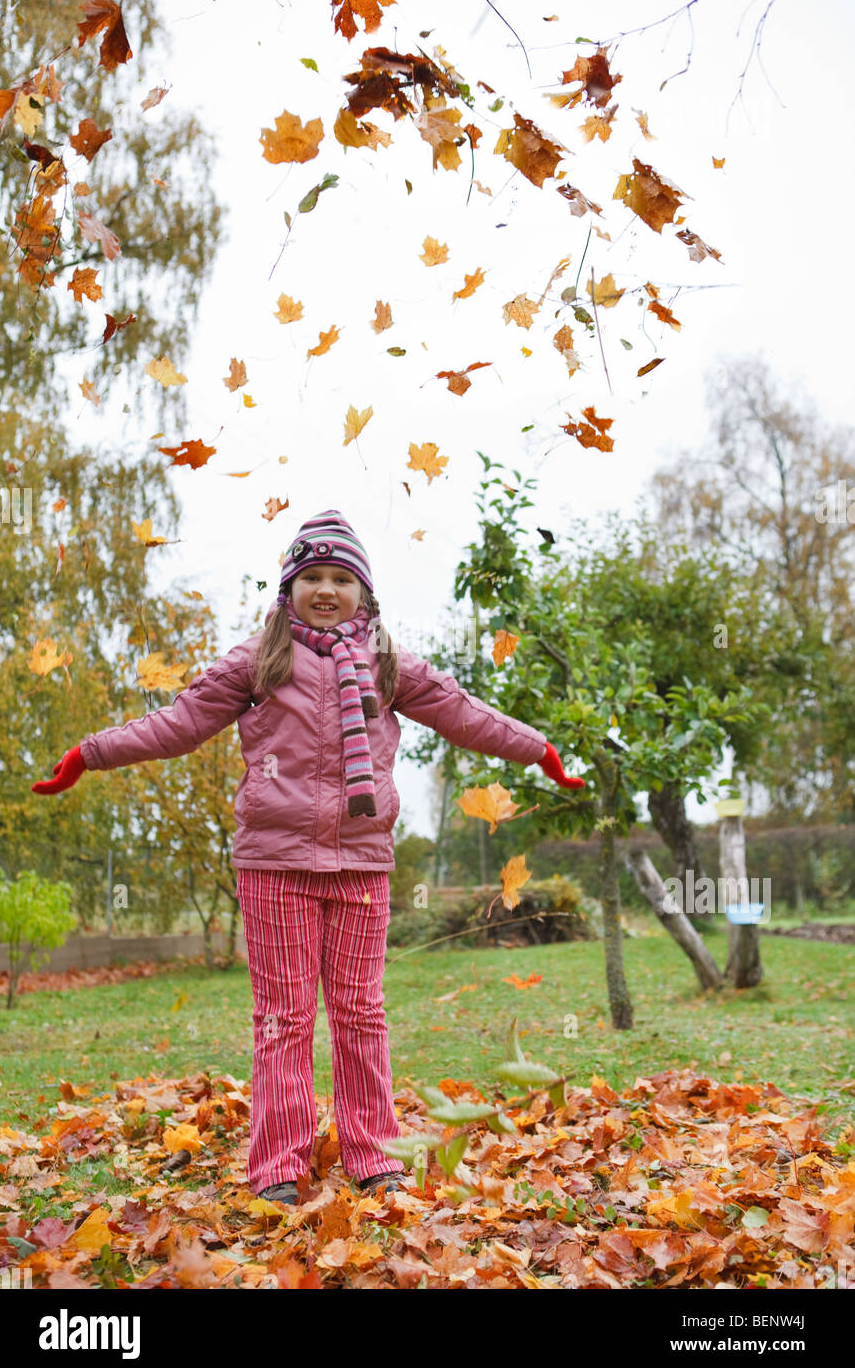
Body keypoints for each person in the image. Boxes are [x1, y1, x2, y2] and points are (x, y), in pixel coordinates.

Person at [32, 509, 585, 1207]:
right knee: (283, 1019)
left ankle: (374, 1155)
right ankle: (279, 1169)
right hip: (273, 865)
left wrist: (541, 750)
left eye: (341, 578)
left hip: (360, 866)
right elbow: (176, 724)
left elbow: (462, 711)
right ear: (289, 586)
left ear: (365, 592)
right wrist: (90, 753)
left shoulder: (386, 662)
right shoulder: (258, 660)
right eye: (312, 577)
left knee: (360, 1012)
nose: (327, 590)